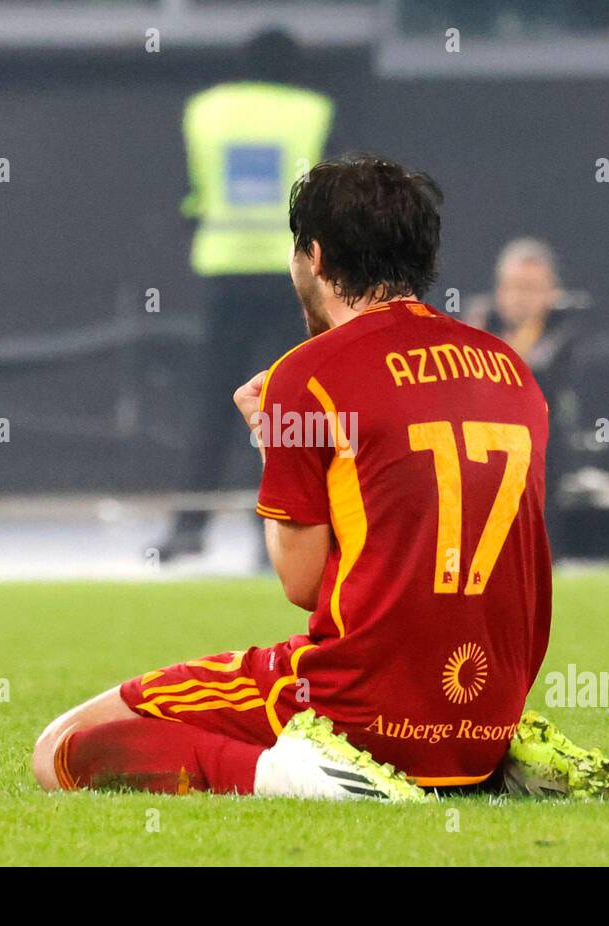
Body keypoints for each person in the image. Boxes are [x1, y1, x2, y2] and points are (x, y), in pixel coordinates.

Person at [33, 156, 609, 802]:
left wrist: (273, 442)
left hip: (365, 703)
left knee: (63, 748)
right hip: (483, 717)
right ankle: (498, 767)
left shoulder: (308, 376)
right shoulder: (510, 371)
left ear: (314, 257)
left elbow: (302, 583)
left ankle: (300, 776)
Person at [156, 29, 335, 563]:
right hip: (293, 274)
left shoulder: (206, 110)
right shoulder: (311, 110)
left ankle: (188, 528)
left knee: (215, 402)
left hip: (225, 270)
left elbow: (190, 194)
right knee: (290, 407)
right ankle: (282, 534)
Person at [466, 238, 577, 558]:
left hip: (542, 450)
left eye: (530, 288)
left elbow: (539, 373)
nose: (520, 298)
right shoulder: (481, 322)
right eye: (513, 287)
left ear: (551, 291)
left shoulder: (567, 325)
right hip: (485, 448)